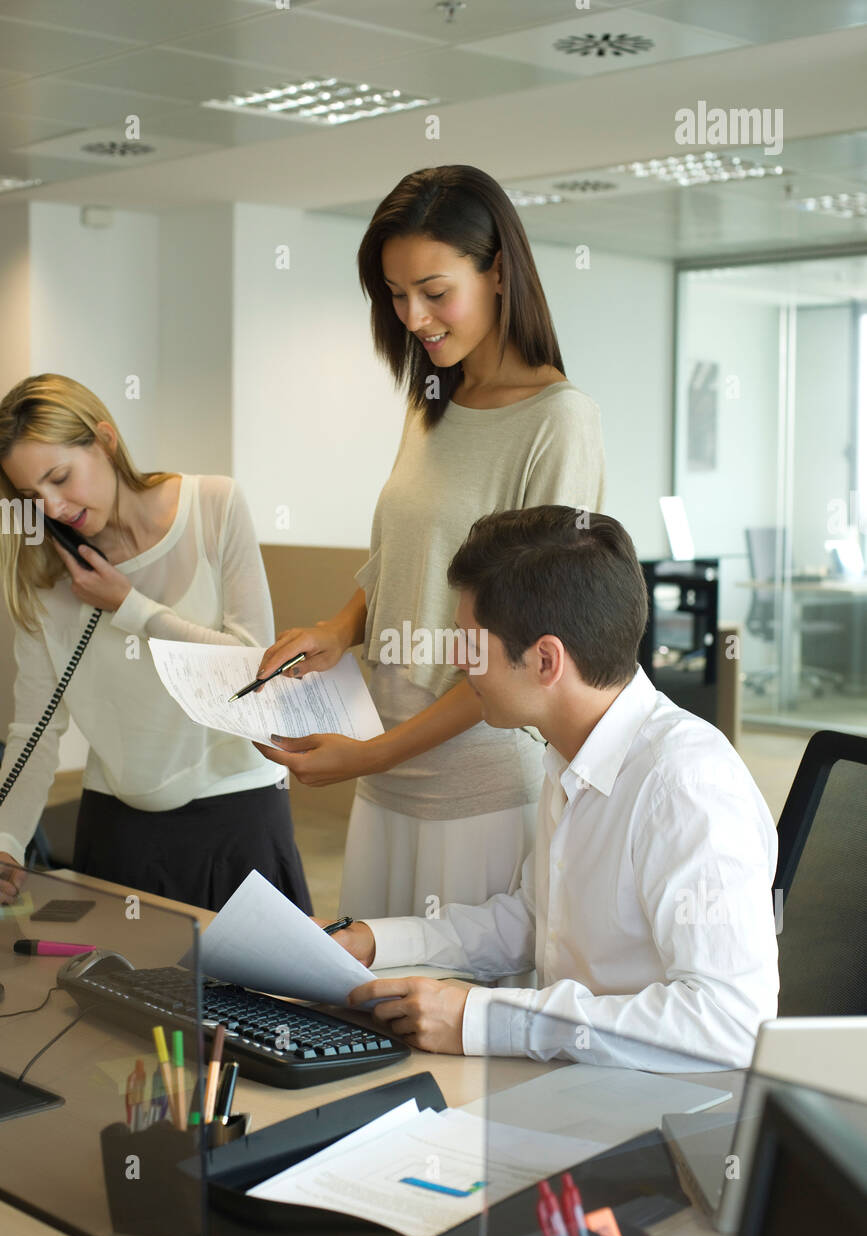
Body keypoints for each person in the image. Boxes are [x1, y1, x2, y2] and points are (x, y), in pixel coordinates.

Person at [254, 164, 605, 924]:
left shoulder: (557, 421)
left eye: (434, 291)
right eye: (394, 293)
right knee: (365, 997)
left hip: (471, 776)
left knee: (449, 1011)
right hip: (386, 755)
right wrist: (336, 631)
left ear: (499, 272)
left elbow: (523, 646)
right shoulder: (433, 401)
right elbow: (394, 563)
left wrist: (371, 755)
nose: (413, 316)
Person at [324, 506, 780, 1072]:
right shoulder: (570, 749)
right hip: (576, 1082)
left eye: (471, 647)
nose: (460, 669)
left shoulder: (685, 784)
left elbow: (731, 1022)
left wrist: (485, 1018)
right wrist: (374, 941)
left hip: (664, 1115)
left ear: (545, 660)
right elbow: (536, 923)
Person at [0, 373, 311, 914]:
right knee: (121, 996)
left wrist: (133, 609)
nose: (51, 507)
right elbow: (34, 728)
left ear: (105, 440)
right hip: (118, 819)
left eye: (60, 477)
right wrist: (6, 842)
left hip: (238, 806)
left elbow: (253, 668)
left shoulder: (213, 505)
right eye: (31, 496)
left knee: (258, 999)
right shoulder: (43, 575)